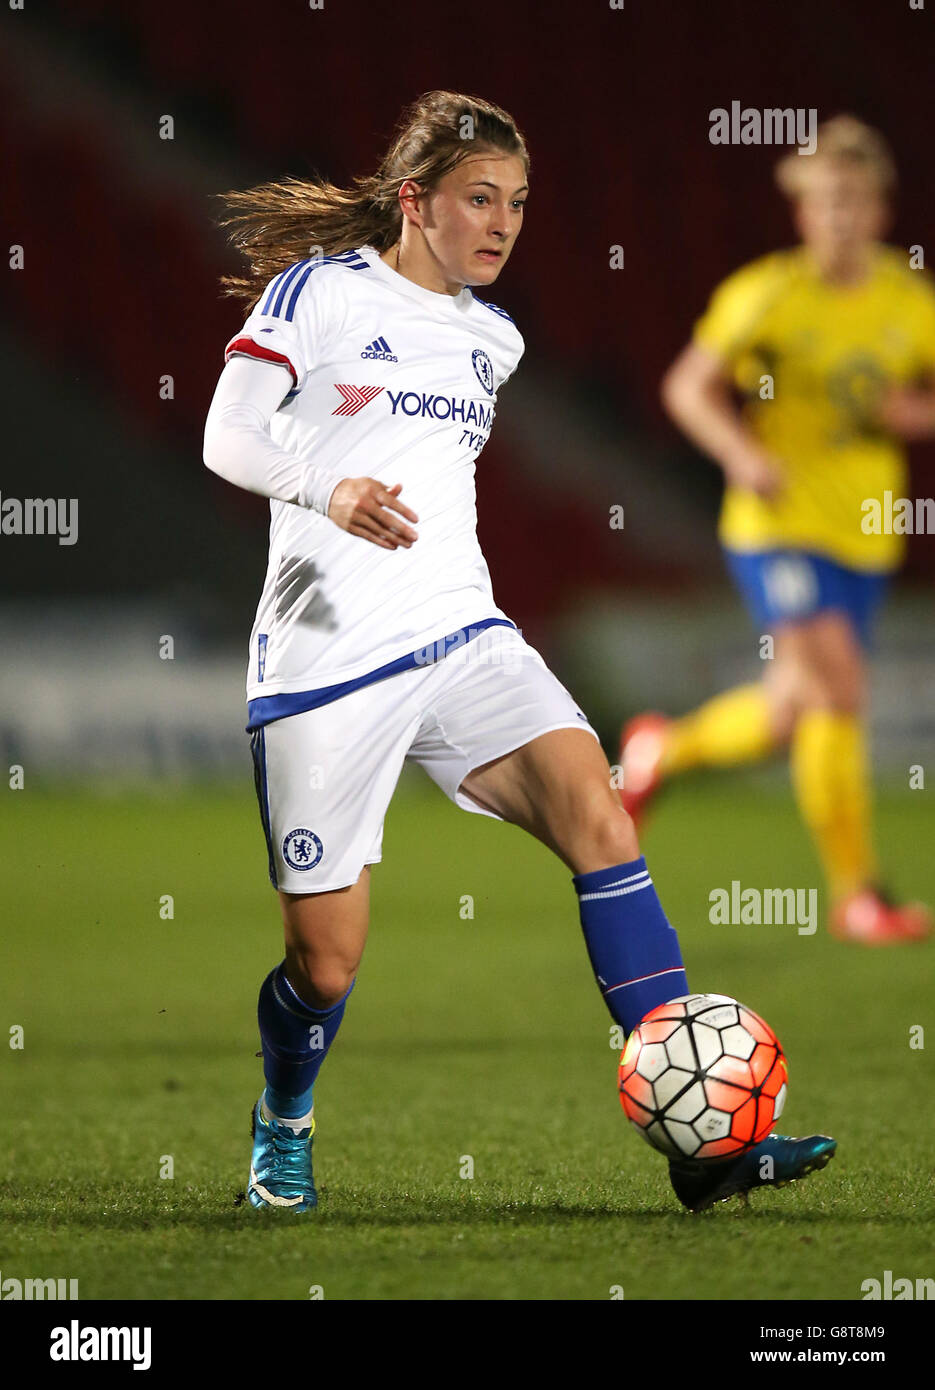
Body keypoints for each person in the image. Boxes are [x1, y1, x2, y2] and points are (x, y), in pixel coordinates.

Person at [203, 89, 833, 1214]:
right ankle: (284, 1117)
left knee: (598, 811)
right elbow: (228, 432)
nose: (502, 223)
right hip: (324, 658)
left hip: (459, 635)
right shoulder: (321, 293)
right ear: (415, 201)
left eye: (519, 204)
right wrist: (327, 482)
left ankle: (708, 1144)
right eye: (478, 199)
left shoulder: (495, 338)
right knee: (325, 963)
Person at [622, 116, 935, 946]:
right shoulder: (765, 293)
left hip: (865, 532)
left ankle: (661, 748)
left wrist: (917, 412)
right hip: (774, 526)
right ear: (801, 210)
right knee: (838, 690)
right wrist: (738, 453)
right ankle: (857, 894)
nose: (838, 216)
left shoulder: (909, 301)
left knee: (792, 711)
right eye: (823, 201)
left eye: (853, 201)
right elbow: (686, 388)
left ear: (879, 210)